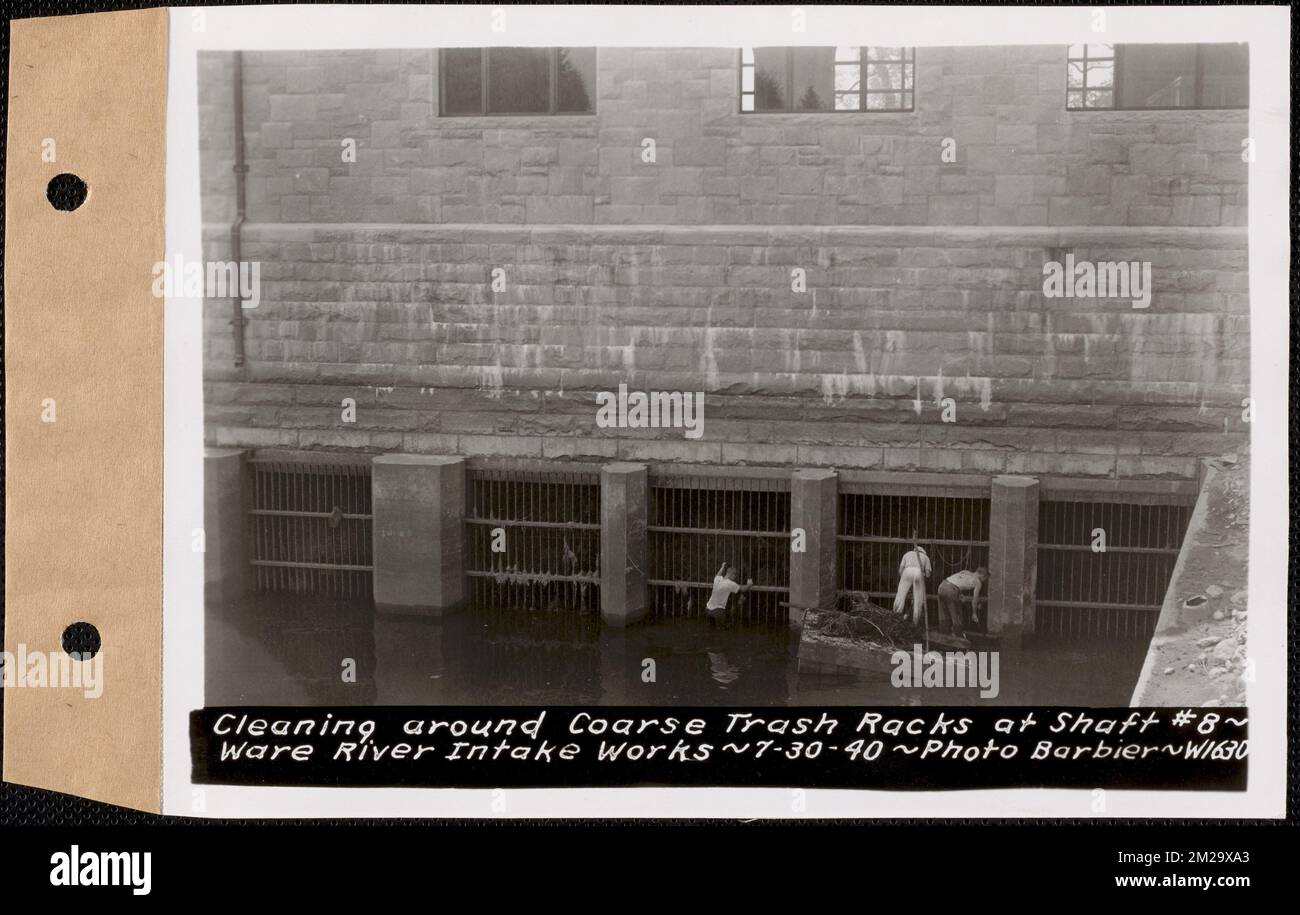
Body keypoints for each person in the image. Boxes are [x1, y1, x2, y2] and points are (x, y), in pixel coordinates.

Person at [936, 567, 988, 640]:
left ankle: (943, 635)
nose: (984, 581)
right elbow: (975, 600)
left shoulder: (965, 572)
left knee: (944, 613)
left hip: (942, 586)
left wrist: (959, 594)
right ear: (982, 575)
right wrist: (974, 613)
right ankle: (958, 637)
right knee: (957, 615)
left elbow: (957, 582)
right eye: (985, 579)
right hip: (951, 590)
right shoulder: (978, 582)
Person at [893, 546, 932, 626]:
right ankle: (915, 621)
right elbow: (928, 574)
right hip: (918, 573)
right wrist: (922, 576)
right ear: (923, 552)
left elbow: (900, 570)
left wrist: (903, 580)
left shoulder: (907, 554)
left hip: (907, 571)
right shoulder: (926, 557)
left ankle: (895, 615)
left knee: (900, 595)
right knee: (918, 598)